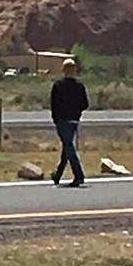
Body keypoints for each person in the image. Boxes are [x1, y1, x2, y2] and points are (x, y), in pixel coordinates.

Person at [50, 57, 88, 187]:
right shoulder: (79, 86)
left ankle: (79, 174)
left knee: (68, 147)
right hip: (73, 120)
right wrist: (76, 111)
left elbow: (54, 104)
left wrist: (56, 118)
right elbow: (85, 104)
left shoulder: (58, 86)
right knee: (67, 147)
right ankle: (58, 174)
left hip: (62, 120)